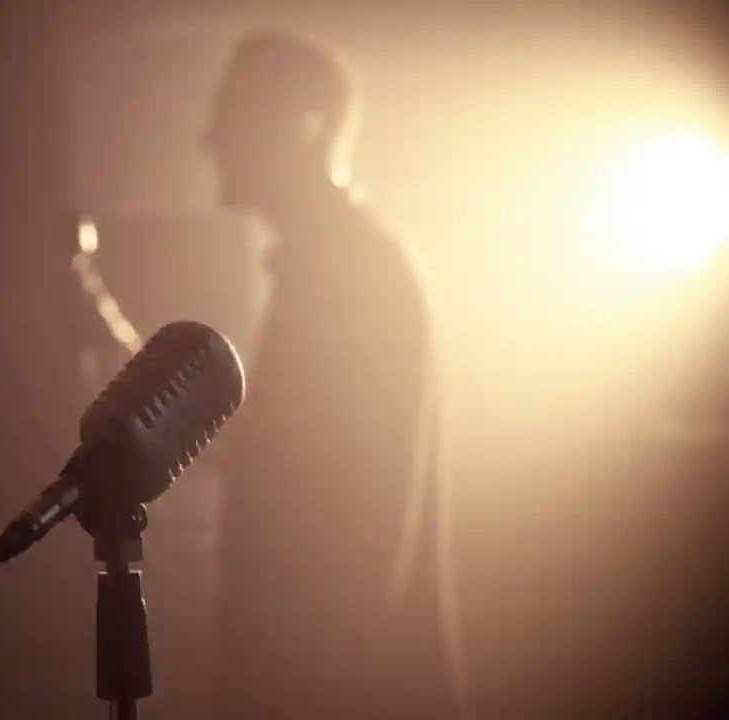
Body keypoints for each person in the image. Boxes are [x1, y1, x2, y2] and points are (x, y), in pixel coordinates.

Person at [204, 30, 464, 718]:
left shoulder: (356, 273)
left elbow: (366, 519)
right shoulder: (334, 265)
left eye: (230, 111)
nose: (208, 138)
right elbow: (269, 454)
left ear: (301, 125)